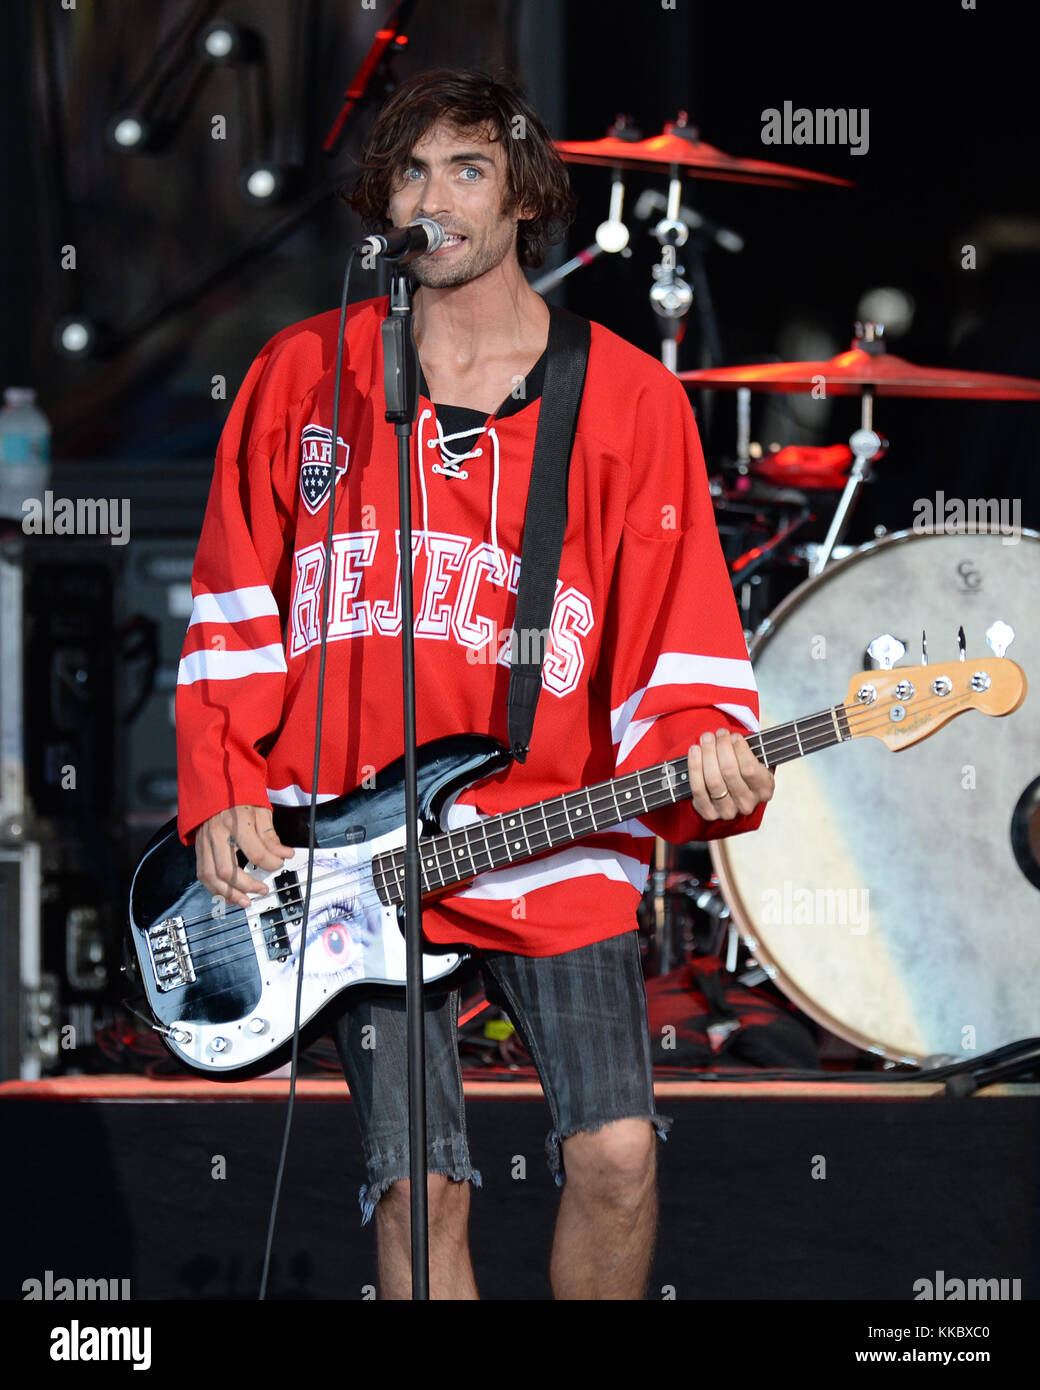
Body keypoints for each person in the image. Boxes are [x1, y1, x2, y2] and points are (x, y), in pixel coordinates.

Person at [175, 67, 774, 1300]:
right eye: (409, 170)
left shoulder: (625, 398)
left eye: (467, 169)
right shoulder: (301, 375)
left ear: (522, 199)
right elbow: (235, 601)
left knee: (614, 1156)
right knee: (420, 1182)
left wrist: (708, 737)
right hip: (347, 853)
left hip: (551, 835)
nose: (432, 196)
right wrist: (226, 781)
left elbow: (676, 630)